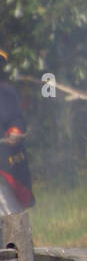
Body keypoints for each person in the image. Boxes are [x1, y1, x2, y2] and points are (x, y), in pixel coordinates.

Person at [0, 49, 35, 214]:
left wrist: (14, 131)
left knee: (9, 213)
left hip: (3, 163)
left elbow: (15, 118)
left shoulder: (5, 92)